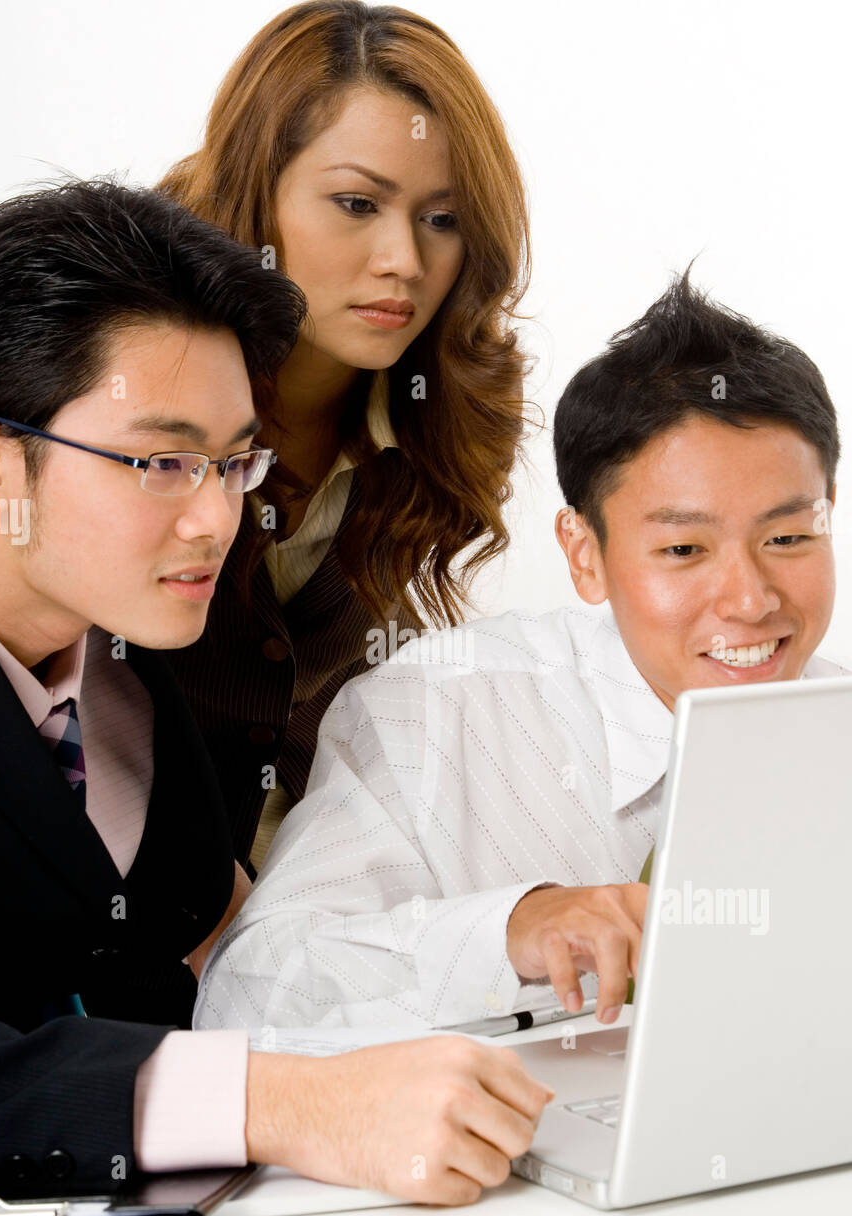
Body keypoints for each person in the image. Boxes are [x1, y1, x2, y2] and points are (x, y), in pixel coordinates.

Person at [0, 178, 551, 1208]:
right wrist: (288, 1102)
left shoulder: (135, 677)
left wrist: (505, 949)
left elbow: (245, 951)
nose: (215, 518)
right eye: (160, 460)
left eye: (232, 461)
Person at [194, 272, 847, 1034]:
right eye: (682, 548)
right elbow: (250, 992)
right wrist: (507, 933)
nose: (748, 599)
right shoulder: (433, 713)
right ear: (584, 554)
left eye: (788, 538)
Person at [156, 1, 532, 876]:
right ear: (257, 191)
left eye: (441, 219)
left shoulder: (432, 414)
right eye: (356, 203)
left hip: (316, 903)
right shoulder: (122, 383)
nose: (403, 259)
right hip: (114, 927)